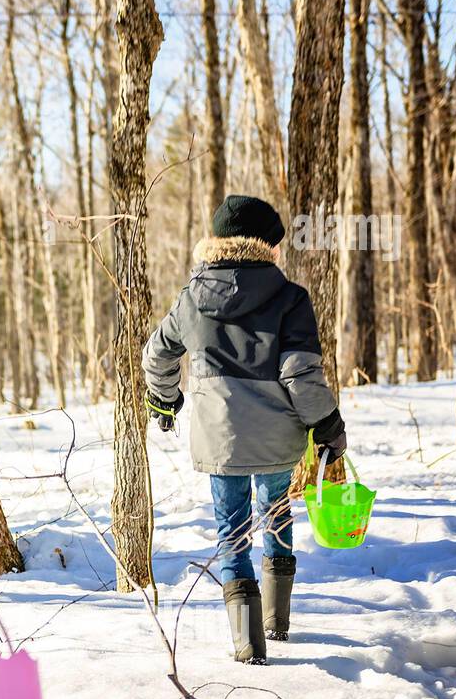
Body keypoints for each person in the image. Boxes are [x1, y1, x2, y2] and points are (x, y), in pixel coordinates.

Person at [141, 195, 346, 665]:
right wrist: (328, 425)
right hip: (279, 438)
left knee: (231, 533)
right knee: (275, 511)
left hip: (220, 439)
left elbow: (157, 354)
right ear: (265, 245)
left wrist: (166, 399)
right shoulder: (291, 299)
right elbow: (300, 375)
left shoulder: (193, 299)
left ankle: (247, 644)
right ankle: (277, 622)